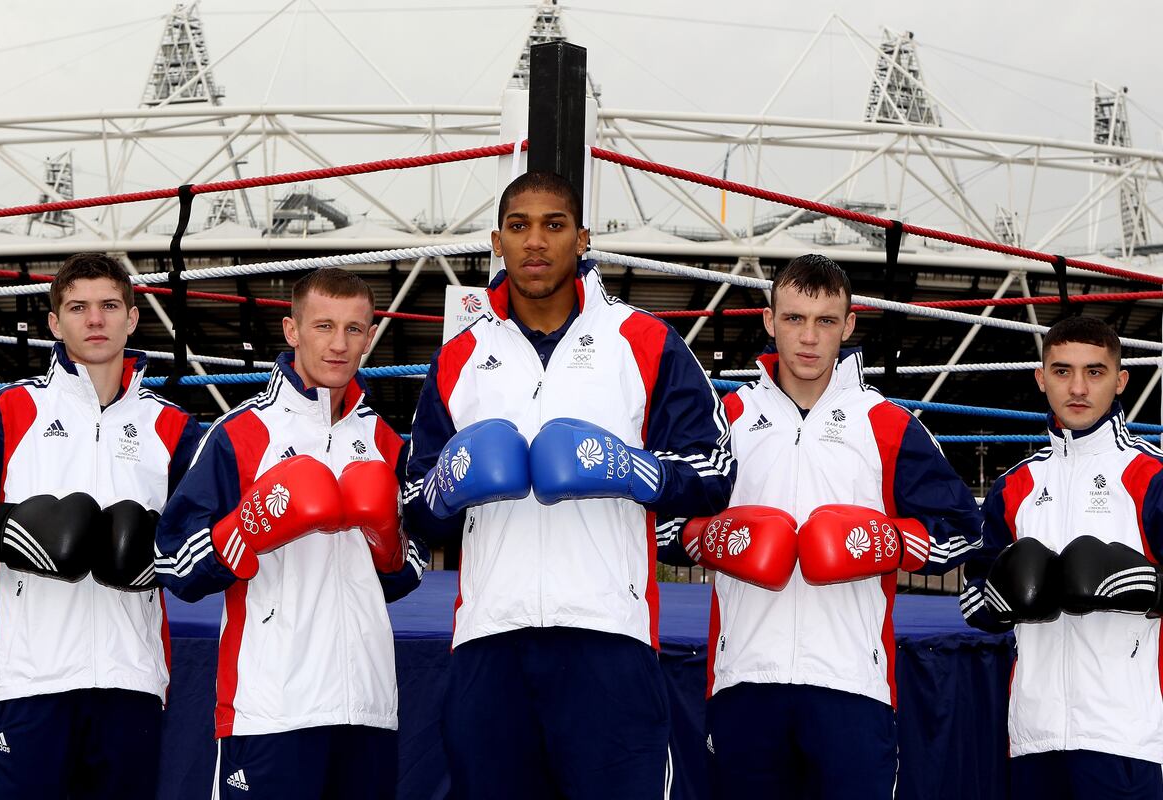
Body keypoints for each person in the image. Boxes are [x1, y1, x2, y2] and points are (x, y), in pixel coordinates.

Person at [402, 171, 735, 799]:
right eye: (520, 226)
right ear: (496, 241)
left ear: (581, 238)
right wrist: (444, 490)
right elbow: (414, 504)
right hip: (489, 638)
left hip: (607, 634)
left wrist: (634, 469)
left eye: (553, 225)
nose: (536, 241)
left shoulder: (642, 342)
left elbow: (715, 469)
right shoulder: (458, 359)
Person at [660, 253, 983, 799]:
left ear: (849, 326)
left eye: (825, 321)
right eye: (794, 319)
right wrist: (709, 538)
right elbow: (664, 522)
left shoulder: (885, 423)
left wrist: (885, 542)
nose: (809, 338)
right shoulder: (729, 418)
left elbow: (964, 529)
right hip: (745, 677)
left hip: (852, 682)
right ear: (769, 321)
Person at [154, 267, 427, 800]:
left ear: (370, 336)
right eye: (324, 326)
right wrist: (247, 526)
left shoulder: (387, 442)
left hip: (367, 703)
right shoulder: (241, 433)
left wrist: (388, 546)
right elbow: (174, 565)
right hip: (271, 706)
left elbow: (409, 569)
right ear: (292, 330)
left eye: (354, 329)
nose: (339, 344)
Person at [0, 252, 203, 798]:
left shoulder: (174, 429)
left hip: (131, 678)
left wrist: (159, 557)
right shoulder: (7, 413)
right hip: (28, 677)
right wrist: (9, 532)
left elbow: (206, 539)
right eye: (78, 307)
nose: (95, 320)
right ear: (55, 322)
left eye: (109, 306)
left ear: (132, 317)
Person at [960, 315, 1163, 799]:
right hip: (1035, 732)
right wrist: (1004, 598)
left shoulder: (1149, 476)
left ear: (1121, 380)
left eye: (1094, 372)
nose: (1077, 387)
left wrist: (1137, 585)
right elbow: (971, 601)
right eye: (1061, 370)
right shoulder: (1015, 487)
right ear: (1040, 377)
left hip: (1128, 735)